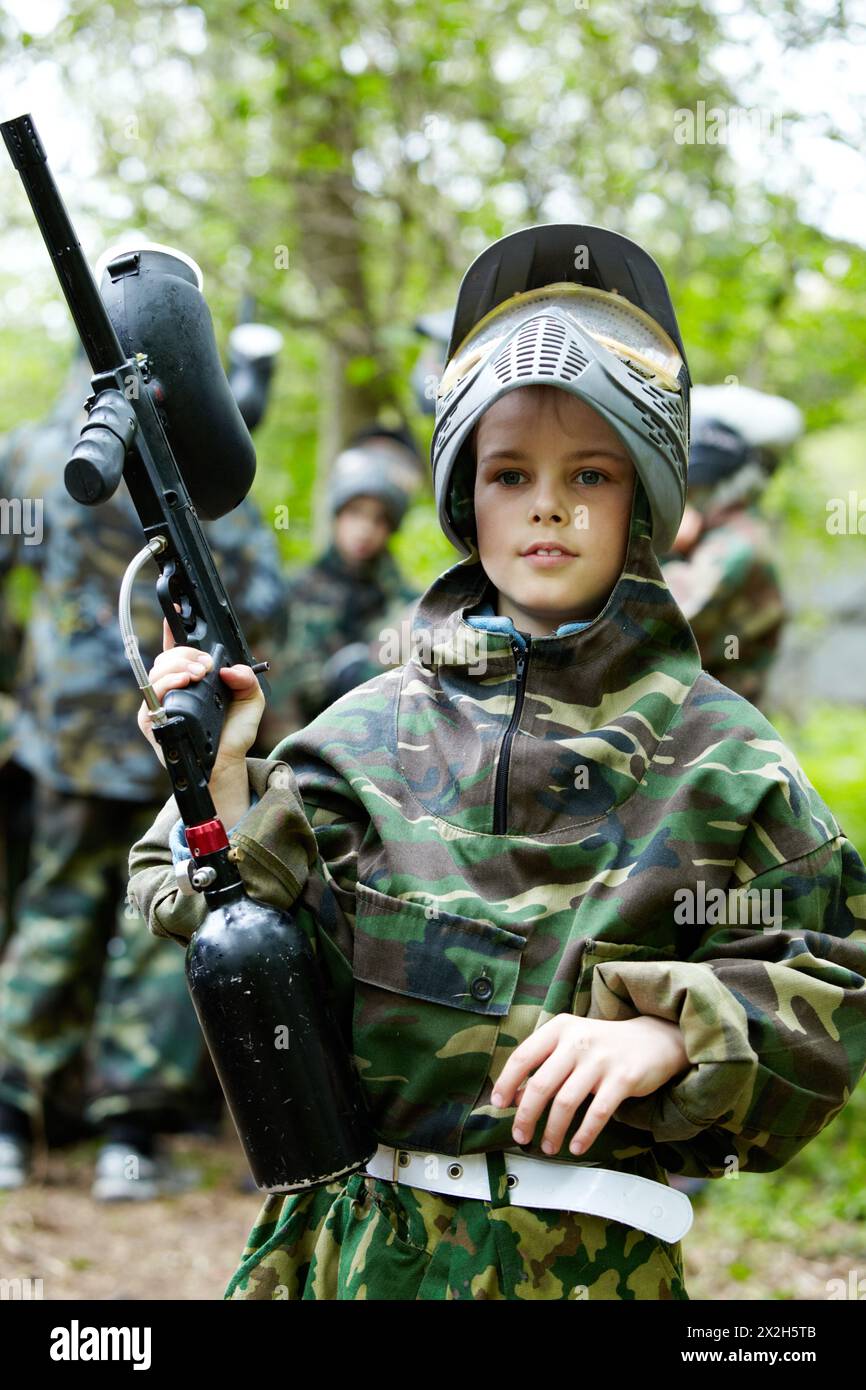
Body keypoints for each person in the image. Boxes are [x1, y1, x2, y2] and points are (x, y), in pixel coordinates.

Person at [128, 224, 866, 1300]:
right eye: (509, 472)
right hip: (348, 1252)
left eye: (591, 474)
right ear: (464, 499)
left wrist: (671, 1033)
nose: (547, 505)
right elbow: (214, 915)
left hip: (584, 1268)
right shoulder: (362, 734)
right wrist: (221, 776)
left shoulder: (725, 762)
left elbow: (831, 986)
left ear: (644, 501)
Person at [0, 351, 290, 1197]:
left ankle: (11, 1119)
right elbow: (261, 605)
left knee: (56, 911)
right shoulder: (202, 468)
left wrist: (21, 679)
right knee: (156, 921)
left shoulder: (37, 455)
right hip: (172, 732)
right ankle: (128, 1138)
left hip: (65, 733)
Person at [258, 428, 422, 748]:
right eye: (355, 513)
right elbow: (277, 689)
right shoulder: (294, 592)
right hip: (302, 746)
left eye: (379, 520)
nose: (365, 529)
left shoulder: (407, 604)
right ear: (338, 514)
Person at [661, 413, 787, 712]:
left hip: (719, 722)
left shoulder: (735, 544)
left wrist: (663, 549)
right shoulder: (724, 535)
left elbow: (659, 619)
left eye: (693, 490)